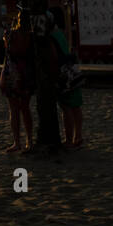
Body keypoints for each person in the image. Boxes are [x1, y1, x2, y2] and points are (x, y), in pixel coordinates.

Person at [0, 12, 35, 153]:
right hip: (26, 74)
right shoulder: (31, 37)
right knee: (25, 108)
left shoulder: (11, 34)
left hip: (12, 73)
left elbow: (7, 49)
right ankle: (29, 140)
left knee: (14, 109)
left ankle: (17, 142)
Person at [49, 20, 84, 149]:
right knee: (76, 105)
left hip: (63, 72)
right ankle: (78, 136)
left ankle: (69, 139)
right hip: (72, 68)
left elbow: (54, 57)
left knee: (66, 107)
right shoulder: (60, 33)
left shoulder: (51, 37)